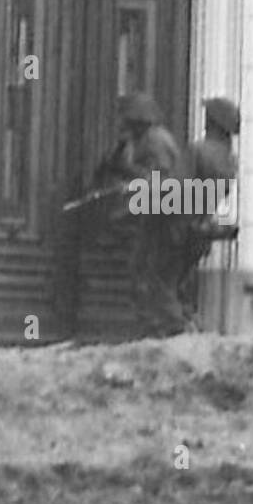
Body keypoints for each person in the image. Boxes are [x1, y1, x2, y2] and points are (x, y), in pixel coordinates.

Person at [96, 92, 191, 338]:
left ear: (135, 121)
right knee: (145, 270)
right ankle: (158, 326)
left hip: (165, 215)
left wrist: (130, 185)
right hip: (158, 212)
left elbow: (160, 180)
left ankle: (171, 328)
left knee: (150, 272)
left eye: (125, 120)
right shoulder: (143, 140)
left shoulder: (155, 141)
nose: (122, 124)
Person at [178, 96, 240, 324]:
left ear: (213, 123)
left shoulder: (198, 151)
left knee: (168, 287)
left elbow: (179, 190)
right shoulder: (230, 160)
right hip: (205, 228)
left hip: (184, 227)